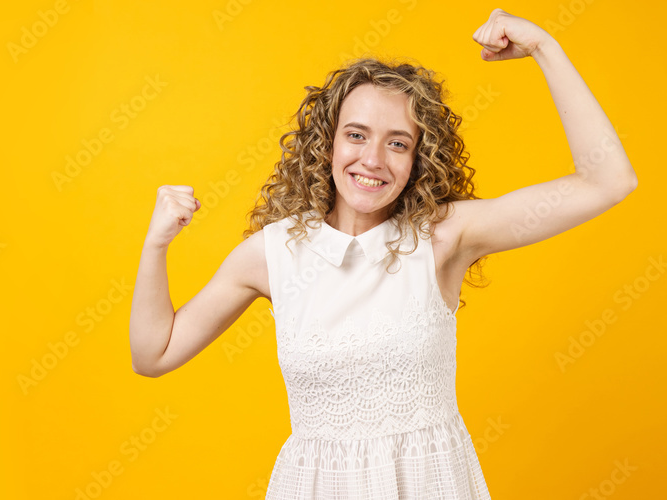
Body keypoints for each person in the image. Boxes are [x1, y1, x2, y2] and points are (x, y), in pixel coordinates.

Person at [129, 8, 636, 499]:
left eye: (398, 143)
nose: (372, 160)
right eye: (356, 135)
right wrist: (156, 245)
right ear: (326, 144)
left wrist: (545, 46)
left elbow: (607, 180)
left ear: (418, 158)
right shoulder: (274, 253)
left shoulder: (442, 237)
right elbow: (154, 353)